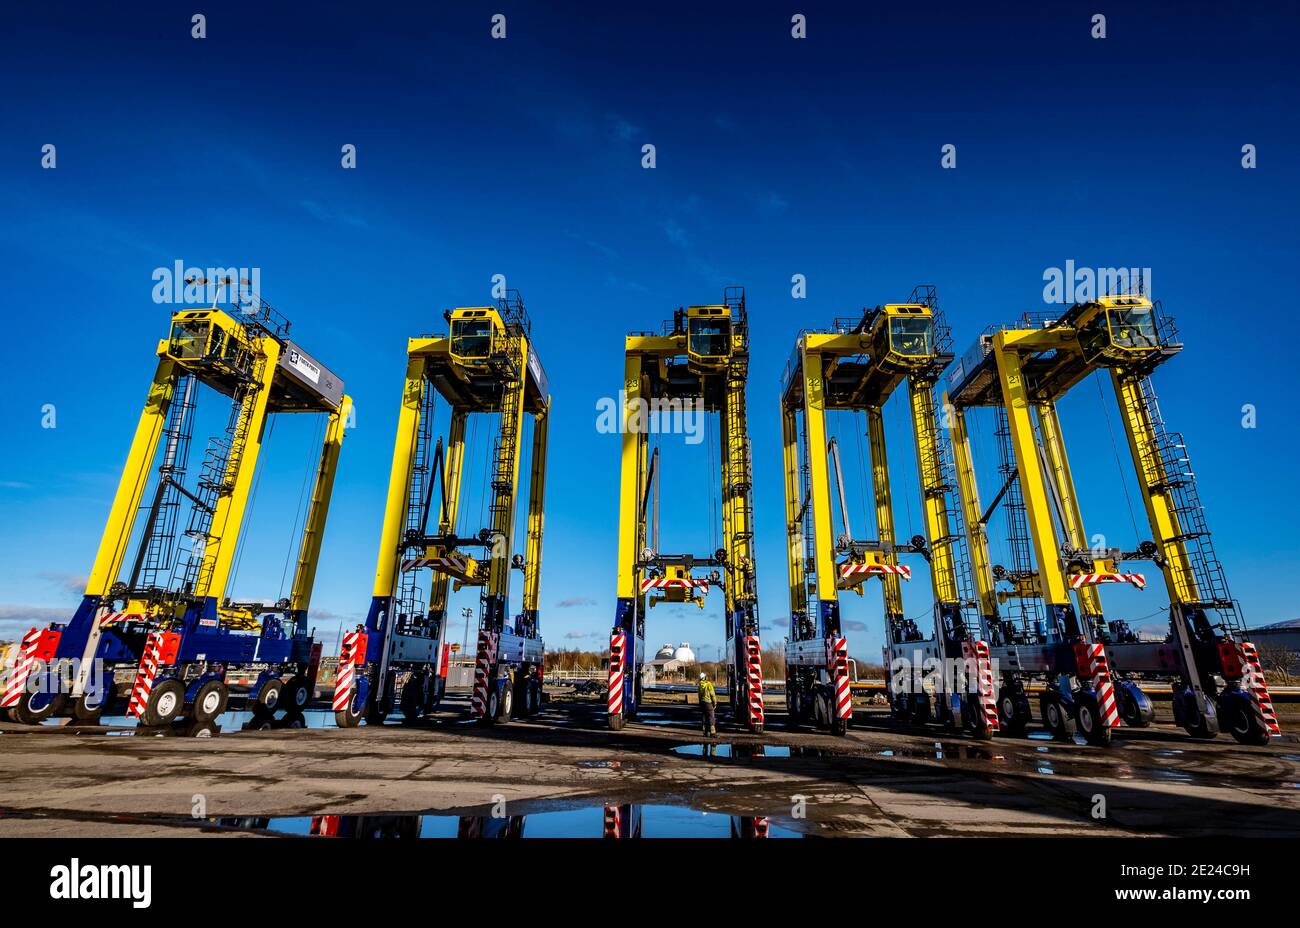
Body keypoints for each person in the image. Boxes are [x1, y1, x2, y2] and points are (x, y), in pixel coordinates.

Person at [697, 672, 717, 736]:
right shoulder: (708, 684)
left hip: (702, 702)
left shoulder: (700, 685)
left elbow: (699, 695)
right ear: (704, 677)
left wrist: (700, 702)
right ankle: (712, 732)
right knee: (711, 716)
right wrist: (715, 703)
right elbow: (712, 694)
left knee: (704, 716)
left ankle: (705, 732)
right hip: (708, 702)